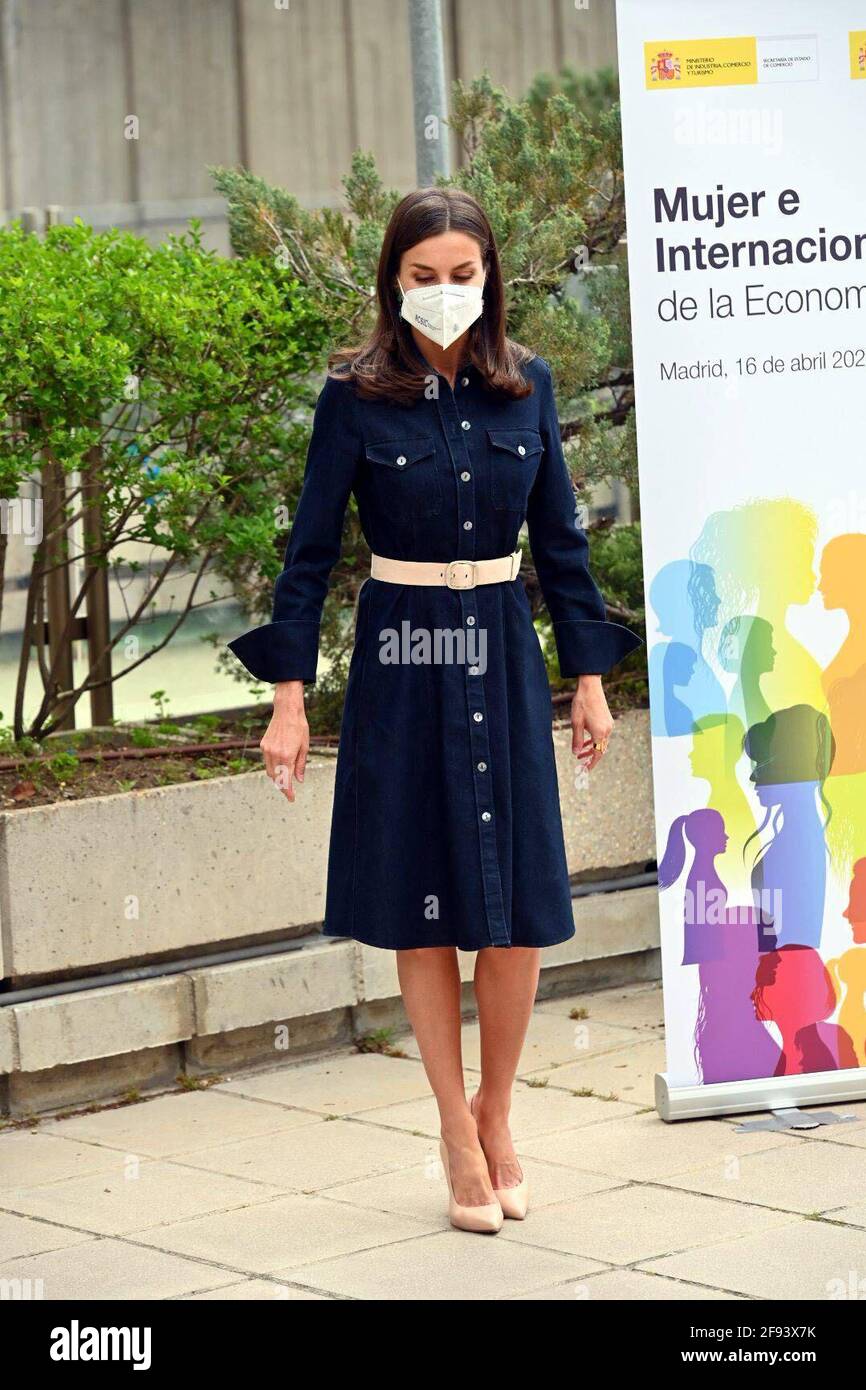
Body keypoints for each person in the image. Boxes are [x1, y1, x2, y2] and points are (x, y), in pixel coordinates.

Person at [228, 187, 642, 1234]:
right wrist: (286, 704)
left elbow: (561, 547)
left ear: (489, 277)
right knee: (423, 899)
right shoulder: (353, 397)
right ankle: (450, 1131)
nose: (446, 293)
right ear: (393, 281)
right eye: (424, 277)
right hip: (402, 657)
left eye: (463, 275)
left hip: (499, 647)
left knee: (513, 909)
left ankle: (494, 1112)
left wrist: (587, 678)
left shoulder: (526, 387)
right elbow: (309, 554)